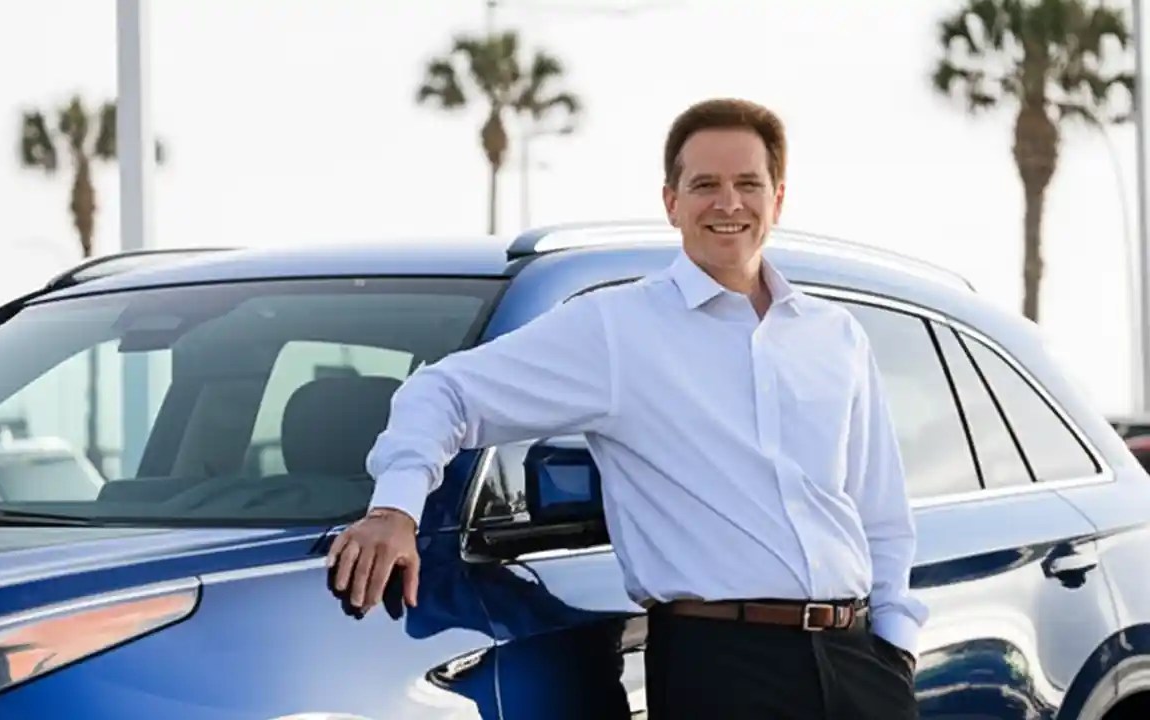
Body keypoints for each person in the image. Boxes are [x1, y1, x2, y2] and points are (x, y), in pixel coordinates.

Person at [326, 97, 927, 718]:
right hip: (721, 668)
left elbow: (880, 513)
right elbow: (443, 392)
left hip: (861, 668)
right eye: (705, 185)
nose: (728, 203)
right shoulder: (617, 331)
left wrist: (895, 649)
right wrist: (394, 508)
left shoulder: (835, 336)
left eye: (748, 183)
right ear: (671, 202)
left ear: (778, 198)